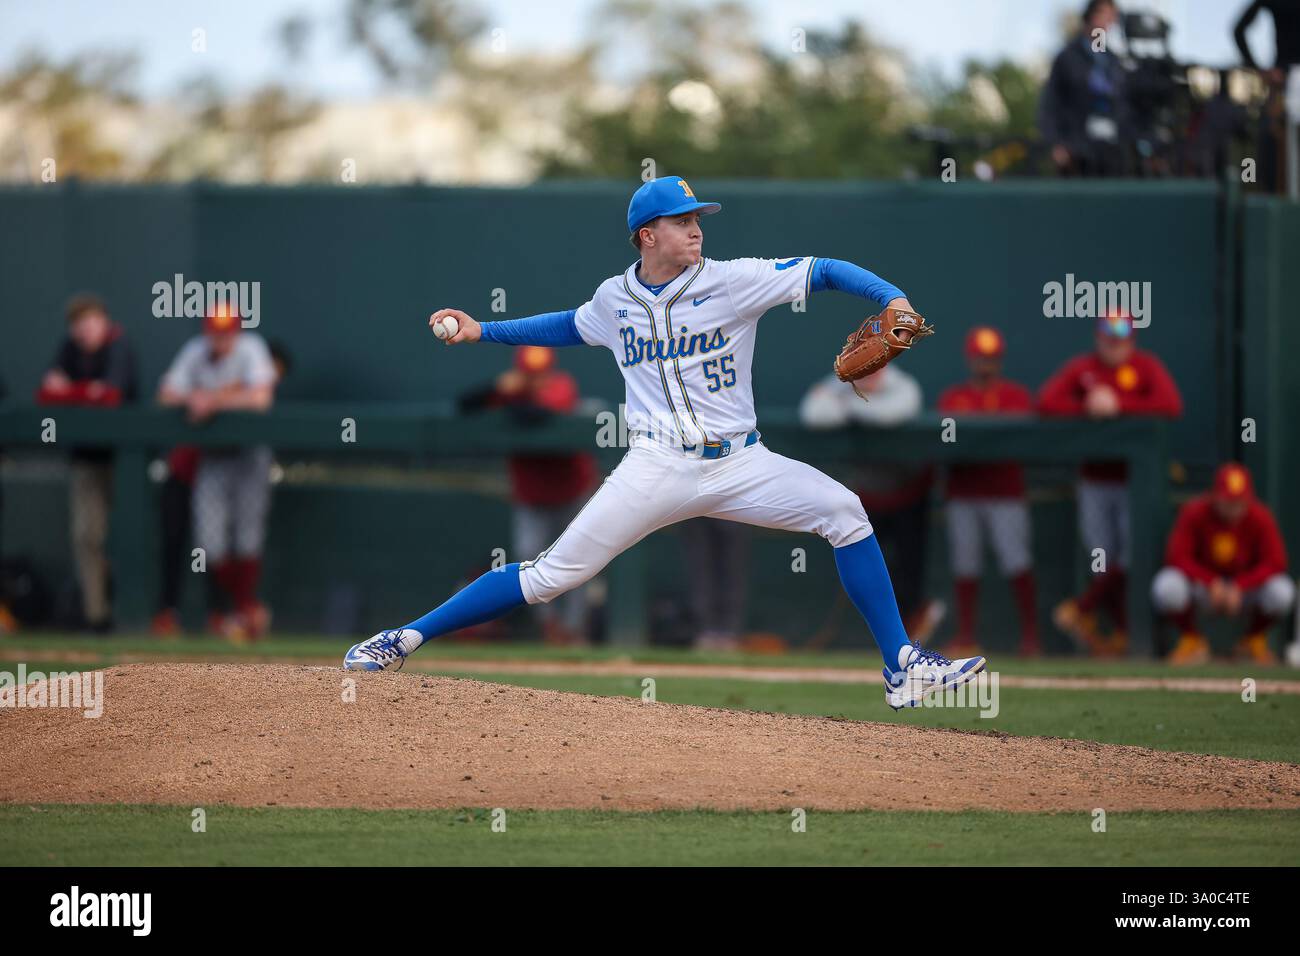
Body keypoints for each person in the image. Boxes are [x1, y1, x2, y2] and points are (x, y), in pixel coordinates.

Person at [343, 175, 987, 710]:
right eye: (682, 220)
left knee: (846, 513)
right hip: (656, 465)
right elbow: (567, 326)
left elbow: (825, 269)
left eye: (698, 218)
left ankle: (903, 666)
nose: (697, 229)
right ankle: (402, 638)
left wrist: (891, 297)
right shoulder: (614, 298)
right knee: (550, 577)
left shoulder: (734, 279)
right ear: (648, 235)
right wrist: (481, 330)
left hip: (742, 461)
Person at [1039, 313, 1182, 656]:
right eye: (1108, 339)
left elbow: (1170, 404)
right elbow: (1046, 402)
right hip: (1094, 481)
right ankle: (1119, 631)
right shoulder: (1084, 368)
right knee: (1101, 559)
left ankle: (1084, 609)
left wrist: (1121, 406)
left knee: (1131, 557)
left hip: (1135, 485)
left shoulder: (1145, 367)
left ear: (1131, 340)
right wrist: (1085, 406)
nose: (1114, 347)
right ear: (1098, 338)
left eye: (1120, 340)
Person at [458, 345, 598, 645]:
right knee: (528, 555)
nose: (537, 379)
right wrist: (497, 388)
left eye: (541, 372)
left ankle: (574, 632)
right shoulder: (511, 389)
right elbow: (464, 405)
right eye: (530, 374)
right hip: (531, 495)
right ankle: (551, 628)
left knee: (578, 560)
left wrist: (512, 396)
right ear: (521, 371)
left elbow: (537, 415)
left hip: (571, 489)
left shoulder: (561, 385)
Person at [799, 365, 943, 642]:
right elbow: (813, 412)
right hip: (867, 499)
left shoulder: (901, 384)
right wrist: (852, 396)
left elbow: (895, 412)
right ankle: (890, 640)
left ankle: (910, 636)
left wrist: (850, 405)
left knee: (907, 572)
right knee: (869, 568)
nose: (867, 370)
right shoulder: (844, 380)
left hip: (908, 493)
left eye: (874, 363)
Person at [158, 307, 277, 642]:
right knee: (210, 543)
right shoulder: (196, 351)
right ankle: (240, 609)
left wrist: (213, 399)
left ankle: (242, 611)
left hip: (250, 454)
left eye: (227, 332)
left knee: (248, 538)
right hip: (212, 457)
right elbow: (166, 393)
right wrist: (195, 397)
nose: (221, 339)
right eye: (216, 332)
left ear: (236, 331)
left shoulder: (251, 347)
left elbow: (262, 399)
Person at [36, 294, 138, 632]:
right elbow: (45, 395)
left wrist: (72, 391)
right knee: (86, 535)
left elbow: (110, 397)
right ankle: (98, 616)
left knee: (126, 536)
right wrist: (86, 391)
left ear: (104, 321)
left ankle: (137, 615)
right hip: (85, 460)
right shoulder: (70, 348)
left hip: (127, 464)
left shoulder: (119, 345)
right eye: (79, 326)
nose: (84, 332)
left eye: (90, 323)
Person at [936, 327, 1039, 657]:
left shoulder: (1016, 396)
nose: (986, 365)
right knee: (966, 565)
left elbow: (1020, 441)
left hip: (1005, 493)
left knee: (1016, 562)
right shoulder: (954, 398)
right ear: (971, 359)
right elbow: (944, 442)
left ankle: (1031, 638)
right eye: (981, 358)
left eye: (992, 359)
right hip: (964, 493)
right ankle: (966, 636)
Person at [1153, 463, 1293, 665]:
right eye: (1228, 501)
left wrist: (1240, 585)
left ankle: (1252, 641)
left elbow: (1276, 562)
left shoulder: (1260, 516)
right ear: (1215, 495)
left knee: (1282, 591)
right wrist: (1211, 582)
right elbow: (1176, 557)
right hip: (1204, 589)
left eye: (1239, 502)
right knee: (1167, 586)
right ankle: (1192, 640)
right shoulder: (1194, 512)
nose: (1234, 508)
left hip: (1244, 592)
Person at [1038, 0, 1129, 177]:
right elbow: (1050, 104)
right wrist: (1056, 143)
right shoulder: (1068, 57)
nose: (1107, 23)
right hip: (1075, 150)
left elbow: (1123, 103)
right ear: (1090, 16)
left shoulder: (1112, 61)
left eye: (1111, 17)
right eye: (1103, 15)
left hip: (1110, 152)